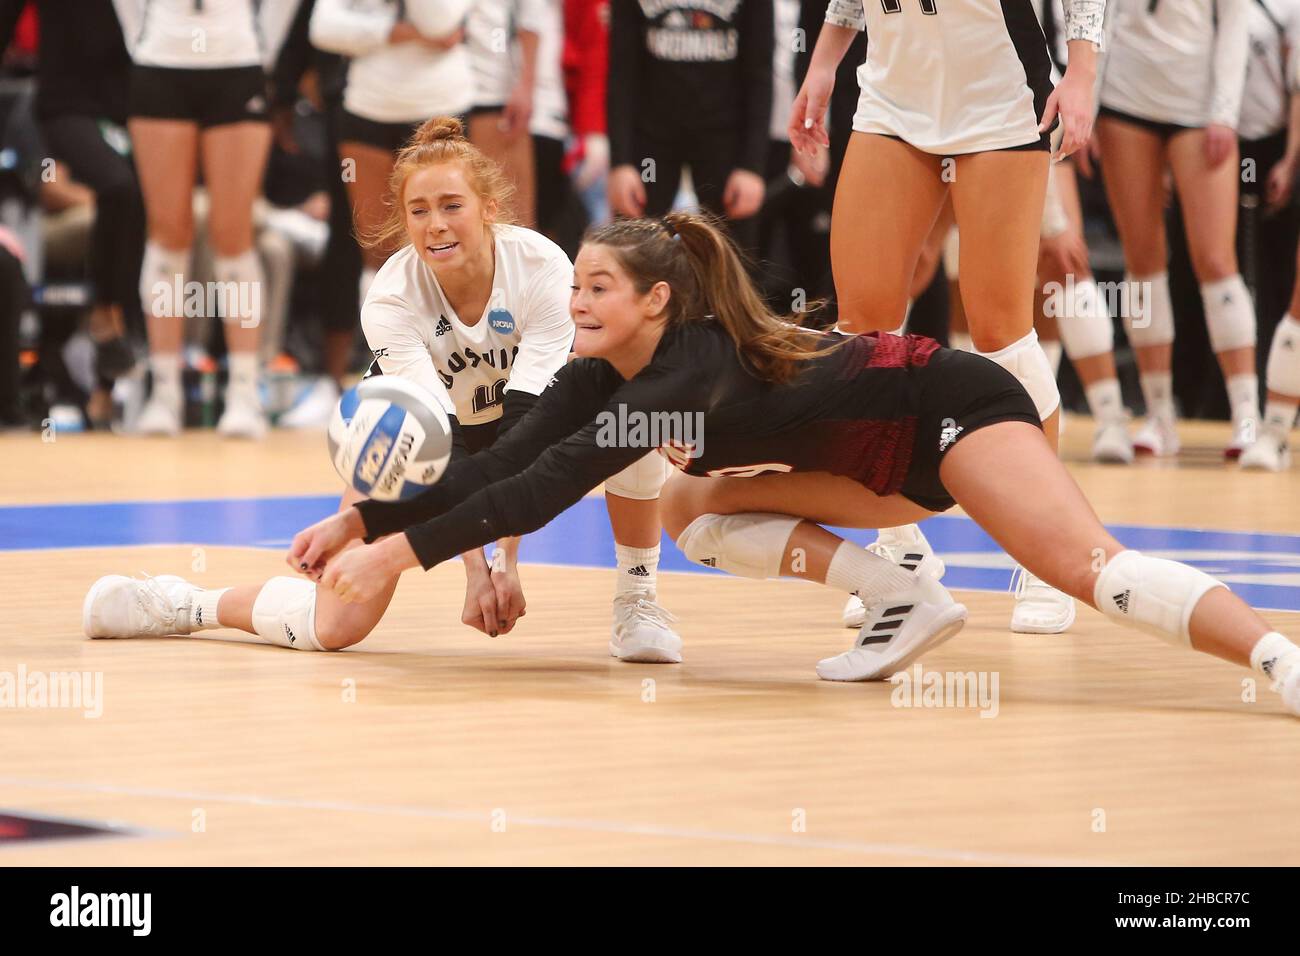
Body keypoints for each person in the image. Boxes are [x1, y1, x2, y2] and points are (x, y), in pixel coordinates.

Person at [173, 210, 1299, 716]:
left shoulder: (686, 373)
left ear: (656, 300)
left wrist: (402, 558)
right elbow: (507, 454)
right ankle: (897, 595)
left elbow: (544, 489)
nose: (575, 303)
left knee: (1085, 570)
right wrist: (367, 521)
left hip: (949, 410)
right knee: (689, 505)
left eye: (598, 290)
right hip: (872, 459)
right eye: (575, 289)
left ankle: (1274, 660)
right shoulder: (610, 371)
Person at [83, 119, 682, 663]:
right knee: (336, 623)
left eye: (452, 205)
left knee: (631, 418)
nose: (436, 224)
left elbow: (521, 438)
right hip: (416, 442)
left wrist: (507, 561)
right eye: (418, 211)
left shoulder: (546, 272)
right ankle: (184, 604)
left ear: (489, 208)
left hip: (521, 429)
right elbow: (443, 449)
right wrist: (474, 568)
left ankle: (637, 598)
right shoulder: (393, 297)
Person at [788, 0, 1106, 635]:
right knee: (863, 338)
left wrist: (1082, 75)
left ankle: (1050, 557)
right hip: (890, 98)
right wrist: (824, 63)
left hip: (1000, 101)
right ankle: (899, 550)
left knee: (1003, 338)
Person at [112, 0, 300, 438]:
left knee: (233, 234)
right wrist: (144, 40)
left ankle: (243, 391)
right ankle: (165, 392)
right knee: (167, 232)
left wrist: (260, 47)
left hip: (237, 61)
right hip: (161, 62)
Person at [1096, 0, 1259, 458]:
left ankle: (1247, 415)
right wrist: (1086, 108)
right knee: (1142, 260)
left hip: (1197, 107)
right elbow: (1096, 17)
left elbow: (1234, 23)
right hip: (1123, 101)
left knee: (1215, 259)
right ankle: (1158, 414)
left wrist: (1225, 113)